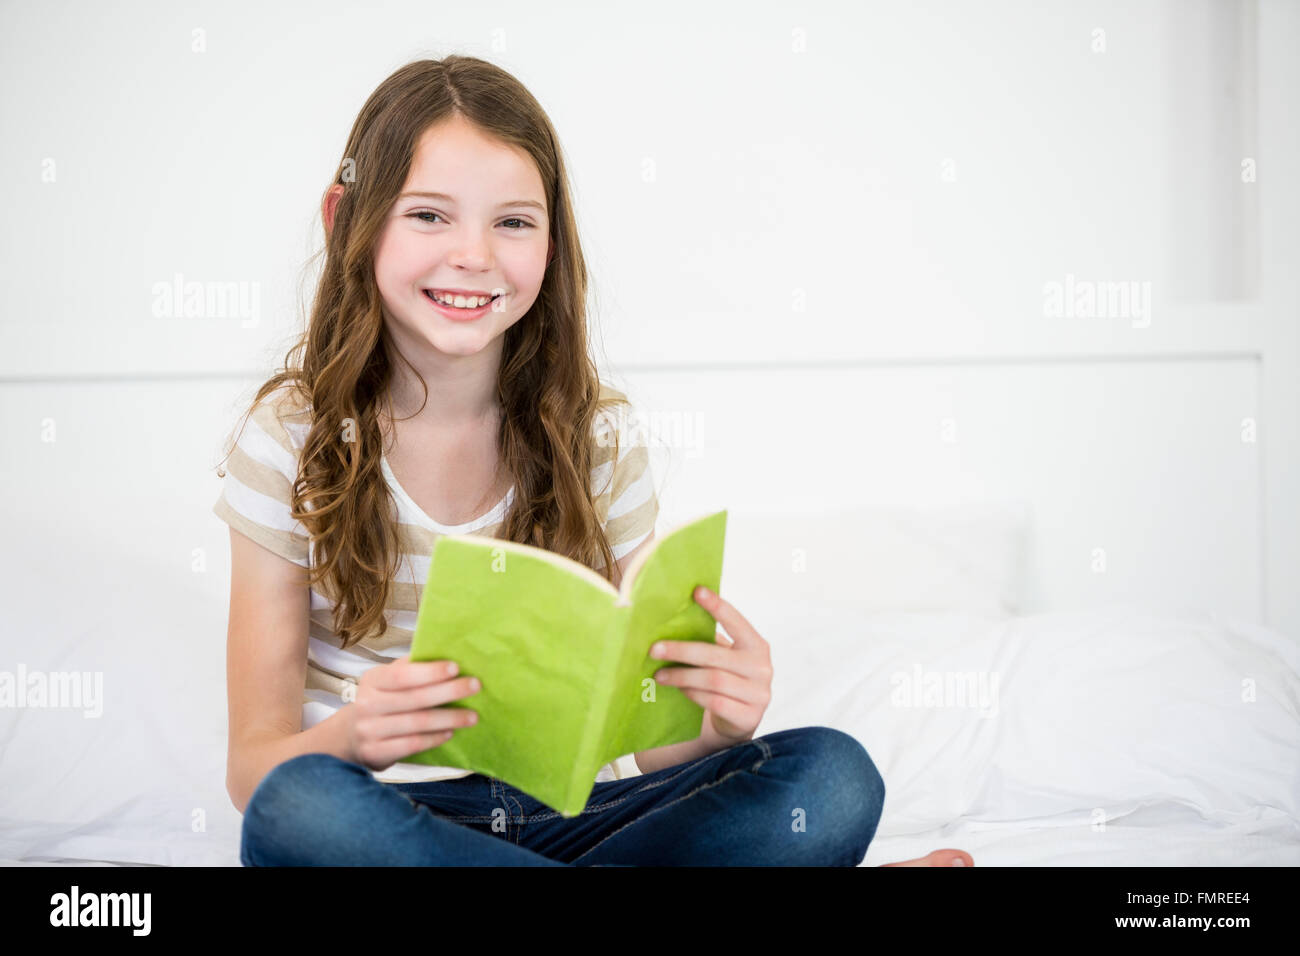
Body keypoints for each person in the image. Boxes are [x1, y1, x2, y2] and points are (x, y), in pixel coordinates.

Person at [214, 55, 973, 867]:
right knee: (294, 812)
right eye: (429, 215)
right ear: (346, 220)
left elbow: (651, 751)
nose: (473, 254)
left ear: (552, 239)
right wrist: (350, 735)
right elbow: (251, 770)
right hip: (386, 815)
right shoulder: (289, 437)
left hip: (576, 817)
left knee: (832, 776)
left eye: (512, 222)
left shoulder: (597, 439)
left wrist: (716, 726)